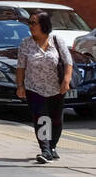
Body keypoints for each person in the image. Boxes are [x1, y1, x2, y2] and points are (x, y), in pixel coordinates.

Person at [16, 10, 73, 164]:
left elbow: (68, 62)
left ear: (44, 24)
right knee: (41, 118)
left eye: (34, 23)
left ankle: (52, 147)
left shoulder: (56, 40)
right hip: (34, 88)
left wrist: (66, 81)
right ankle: (45, 150)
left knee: (56, 119)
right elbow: (21, 67)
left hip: (56, 88)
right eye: (29, 22)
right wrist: (20, 85)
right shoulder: (26, 43)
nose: (30, 26)